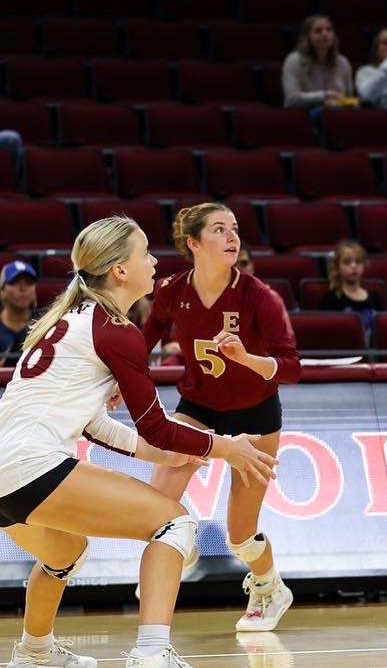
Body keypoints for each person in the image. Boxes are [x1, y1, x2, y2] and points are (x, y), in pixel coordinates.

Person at [0, 215, 275, 668]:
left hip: (6, 476)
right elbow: (157, 426)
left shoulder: (68, 321)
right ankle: (151, 654)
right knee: (173, 523)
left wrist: (167, 452)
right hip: (32, 465)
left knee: (67, 552)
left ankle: (34, 653)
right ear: (119, 271)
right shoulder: (116, 329)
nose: (154, 262)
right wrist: (225, 446)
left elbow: (94, 426)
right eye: (145, 253)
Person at [143, 204, 301, 633]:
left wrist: (246, 358)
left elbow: (291, 366)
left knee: (240, 535)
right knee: (156, 507)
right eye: (219, 230)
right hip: (199, 407)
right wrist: (124, 378)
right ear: (194, 243)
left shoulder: (258, 296)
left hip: (256, 414)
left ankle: (269, 586)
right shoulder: (173, 290)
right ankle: (178, 546)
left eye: (234, 229)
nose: (232, 237)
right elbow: (145, 337)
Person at [281, 14, 355, 112]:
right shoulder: (293, 61)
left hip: (336, 116)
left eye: (329, 30)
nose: (325, 34)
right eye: (318, 31)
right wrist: (325, 95)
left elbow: (349, 100)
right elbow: (291, 100)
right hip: (305, 117)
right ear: (308, 37)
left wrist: (348, 102)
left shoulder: (343, 62)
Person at [318, 240, 383, 332]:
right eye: (347, 262)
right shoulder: (332, 297)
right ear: (337, 267)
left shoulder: (374, 296)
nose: (353, 266)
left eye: (358, 261)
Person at [0, 260, 37, 360]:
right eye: (14, 282)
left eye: (29, 283)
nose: (23, 288)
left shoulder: (44, 325)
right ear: (2, 291)